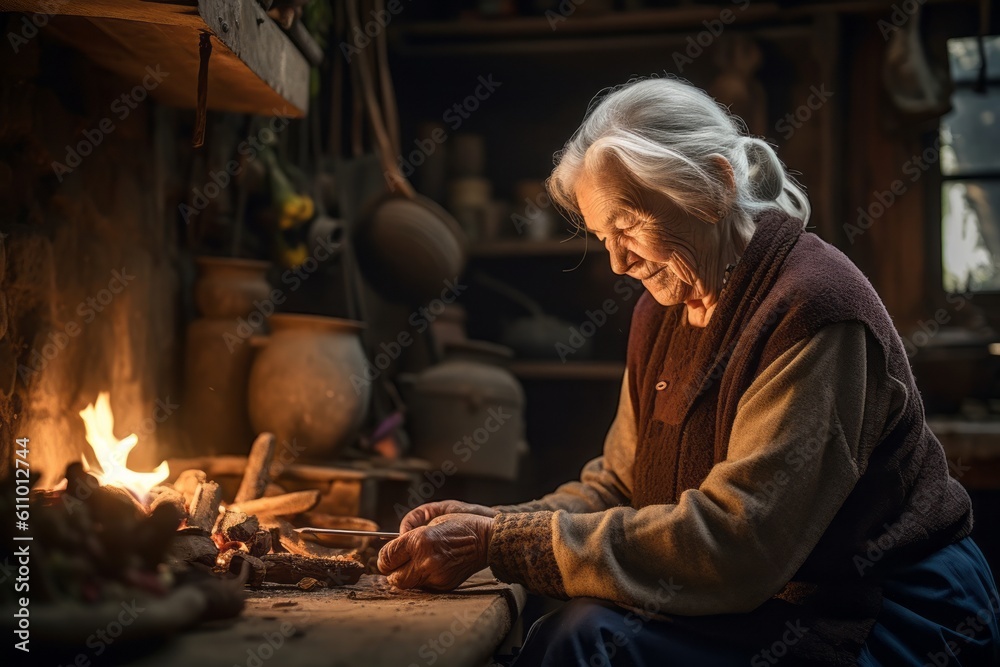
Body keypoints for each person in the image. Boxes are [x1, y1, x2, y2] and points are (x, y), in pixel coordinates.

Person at [377, 77, 1000, 666]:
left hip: (889, 612)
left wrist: (507, 545)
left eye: (628, 227)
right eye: (602, 236)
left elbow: (740, 542)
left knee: (587, 640)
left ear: (715, 187)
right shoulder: (663, 311)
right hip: (775, 601)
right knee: (575, 627)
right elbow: (617, 486)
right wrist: (497, 527)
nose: (618, 263)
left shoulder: (812, 312)